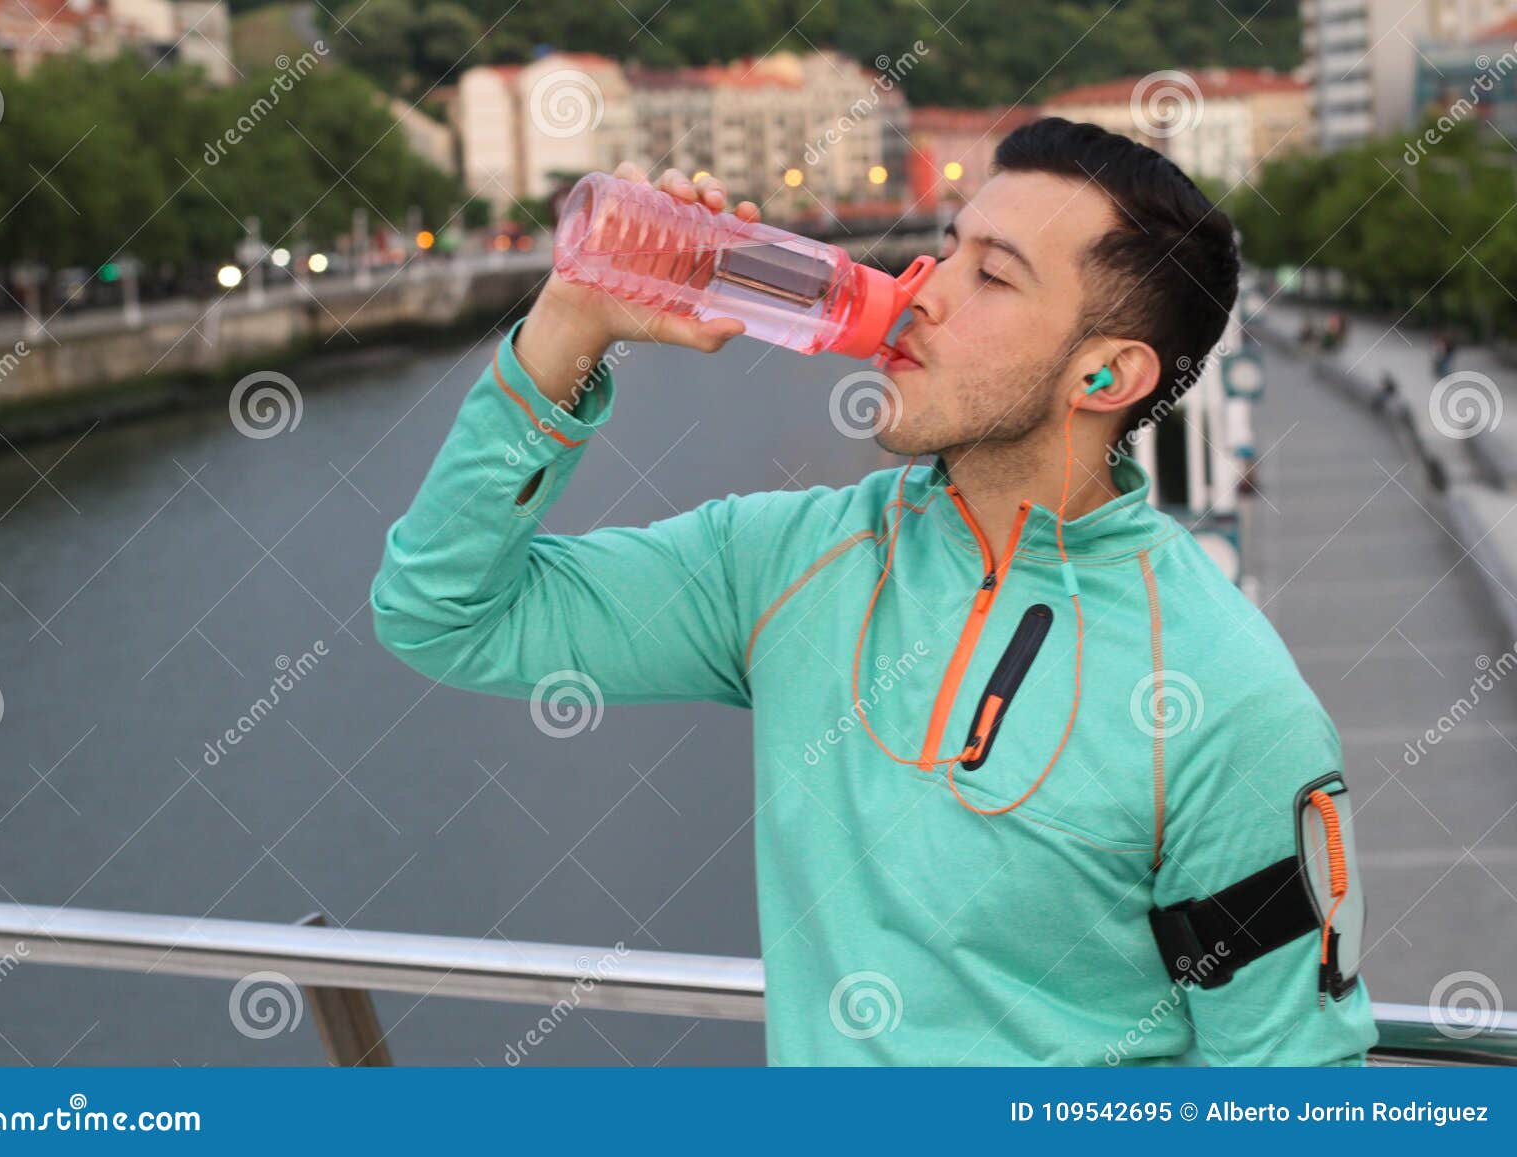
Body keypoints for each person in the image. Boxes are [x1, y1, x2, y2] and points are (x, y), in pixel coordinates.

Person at [371, 118, 1375, 1066]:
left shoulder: (1224, 699)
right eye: (944, 249)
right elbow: (444, 612)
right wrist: (573, 321)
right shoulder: (784, 560)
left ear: (1106, 375)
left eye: (991, 275)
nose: (920, 289)